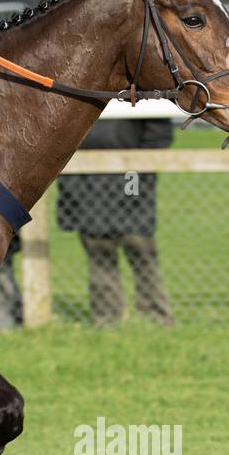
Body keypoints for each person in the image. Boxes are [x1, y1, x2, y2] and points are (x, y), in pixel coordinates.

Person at [56, 118, 175, 326]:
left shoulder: (139, 94)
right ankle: (106, 319)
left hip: (132, 178)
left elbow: (159, 133)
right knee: (99, 253)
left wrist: (140, 166)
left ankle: (157, 316)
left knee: (141, 250)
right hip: (86, 182)